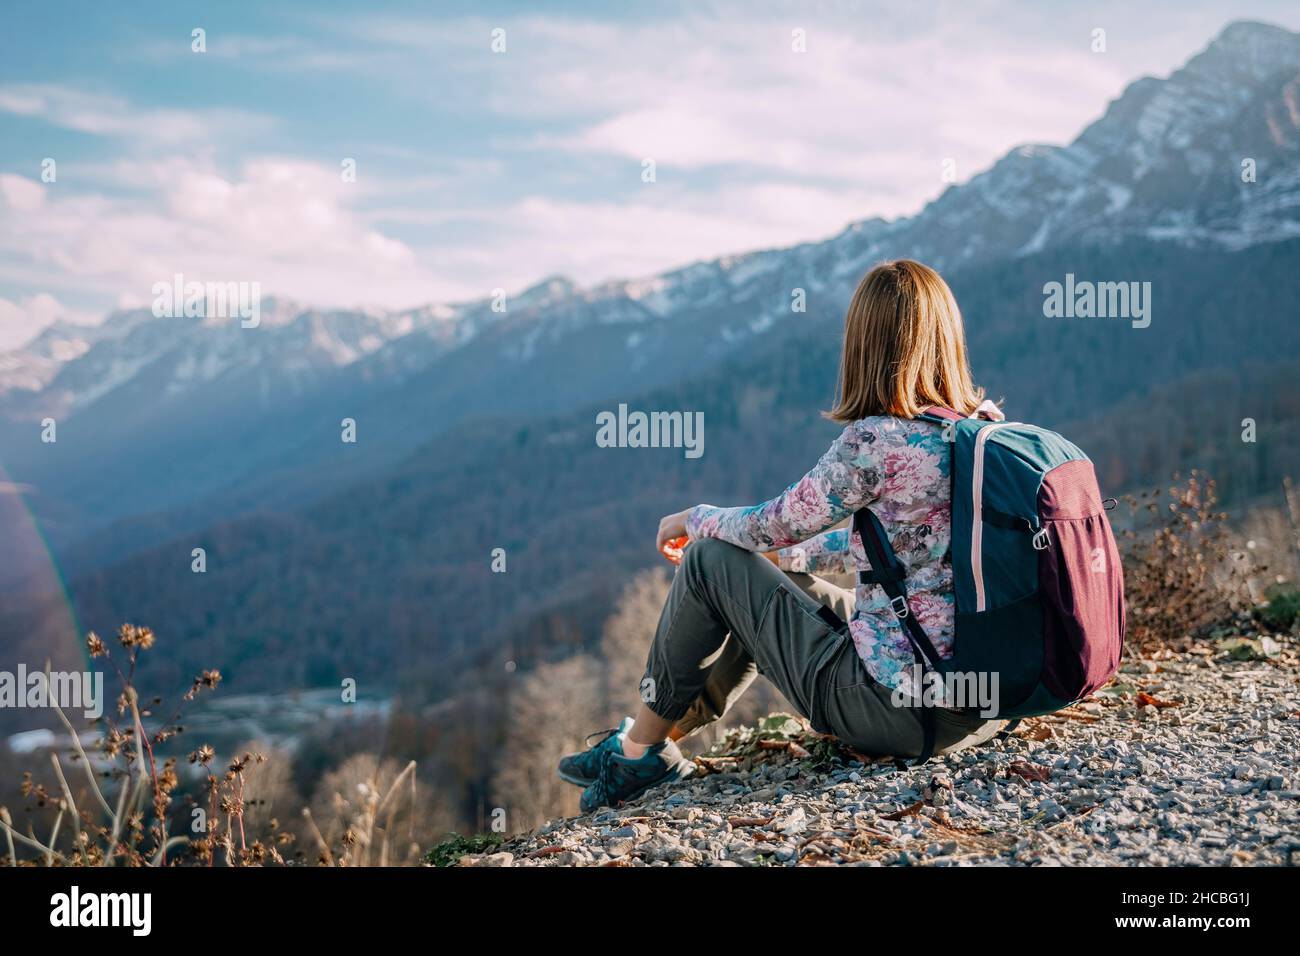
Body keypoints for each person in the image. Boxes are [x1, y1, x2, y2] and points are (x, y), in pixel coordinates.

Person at [559, 259, 1006, 812]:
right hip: (978, 704)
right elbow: (903, 551)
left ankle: (638, 754)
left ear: (866, 344)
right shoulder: (982, 432)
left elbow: (769, 522)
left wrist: (695, 517)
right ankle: (645, 740)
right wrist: (781, 555)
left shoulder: (878, 441)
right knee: (773, 572)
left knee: (708, 560)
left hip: (896, 711)